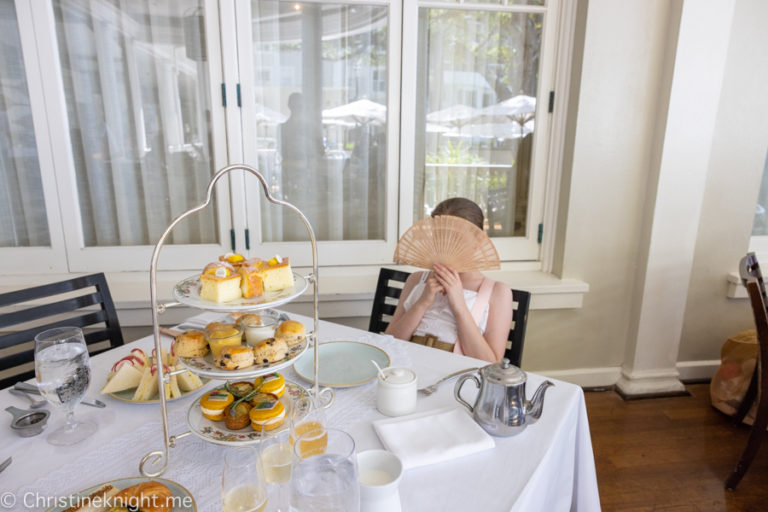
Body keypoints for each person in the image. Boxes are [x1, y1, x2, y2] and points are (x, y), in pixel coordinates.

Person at [385, 198, 513, 363]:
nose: (446, 244)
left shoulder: (497, 291)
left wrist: (459, 305)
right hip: (408, 365)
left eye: (456, 238)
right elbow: (389, 342)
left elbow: (491, 363)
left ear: (478, 240)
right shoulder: (416, 280)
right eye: (439, 236)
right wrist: (422, 303)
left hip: (456, 372)